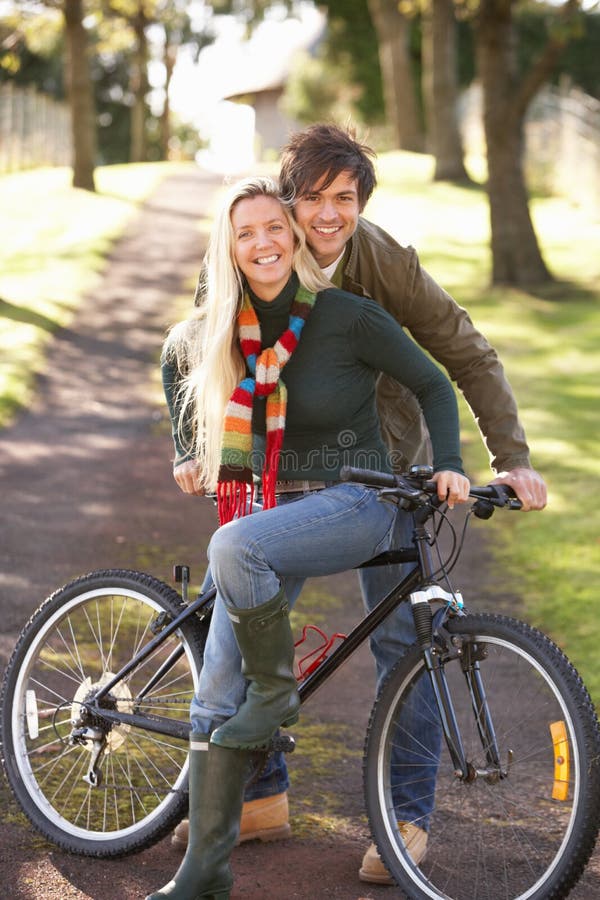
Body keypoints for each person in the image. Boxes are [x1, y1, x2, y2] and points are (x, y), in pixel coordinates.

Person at [172, 124, 547, 886]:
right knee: (241, 617)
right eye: (311, 198)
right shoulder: (255, 244)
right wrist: (189, 444)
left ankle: (403, 819)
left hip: (387, 466)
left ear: (361, 204)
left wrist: (509, 456)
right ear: (287, 201)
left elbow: (462, 351)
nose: (327, 215)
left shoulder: (383, 263)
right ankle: (260, 796)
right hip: (283, 463)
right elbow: (195, 344)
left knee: (406, 640)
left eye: (344, 198)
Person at [148, 175, 469, 899]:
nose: (262, 242)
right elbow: (174, 356)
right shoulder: (224, 325)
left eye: (272, 228)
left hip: (355, 501)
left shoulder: (347, 316)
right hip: (268, 505)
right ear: (230, 249)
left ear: (295, 239)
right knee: (214, 692)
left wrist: (448, 464)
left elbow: (433, 382)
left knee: (231, 549)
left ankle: (276, 694)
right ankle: (203, 874)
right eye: (245, 232)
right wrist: (183, 450)